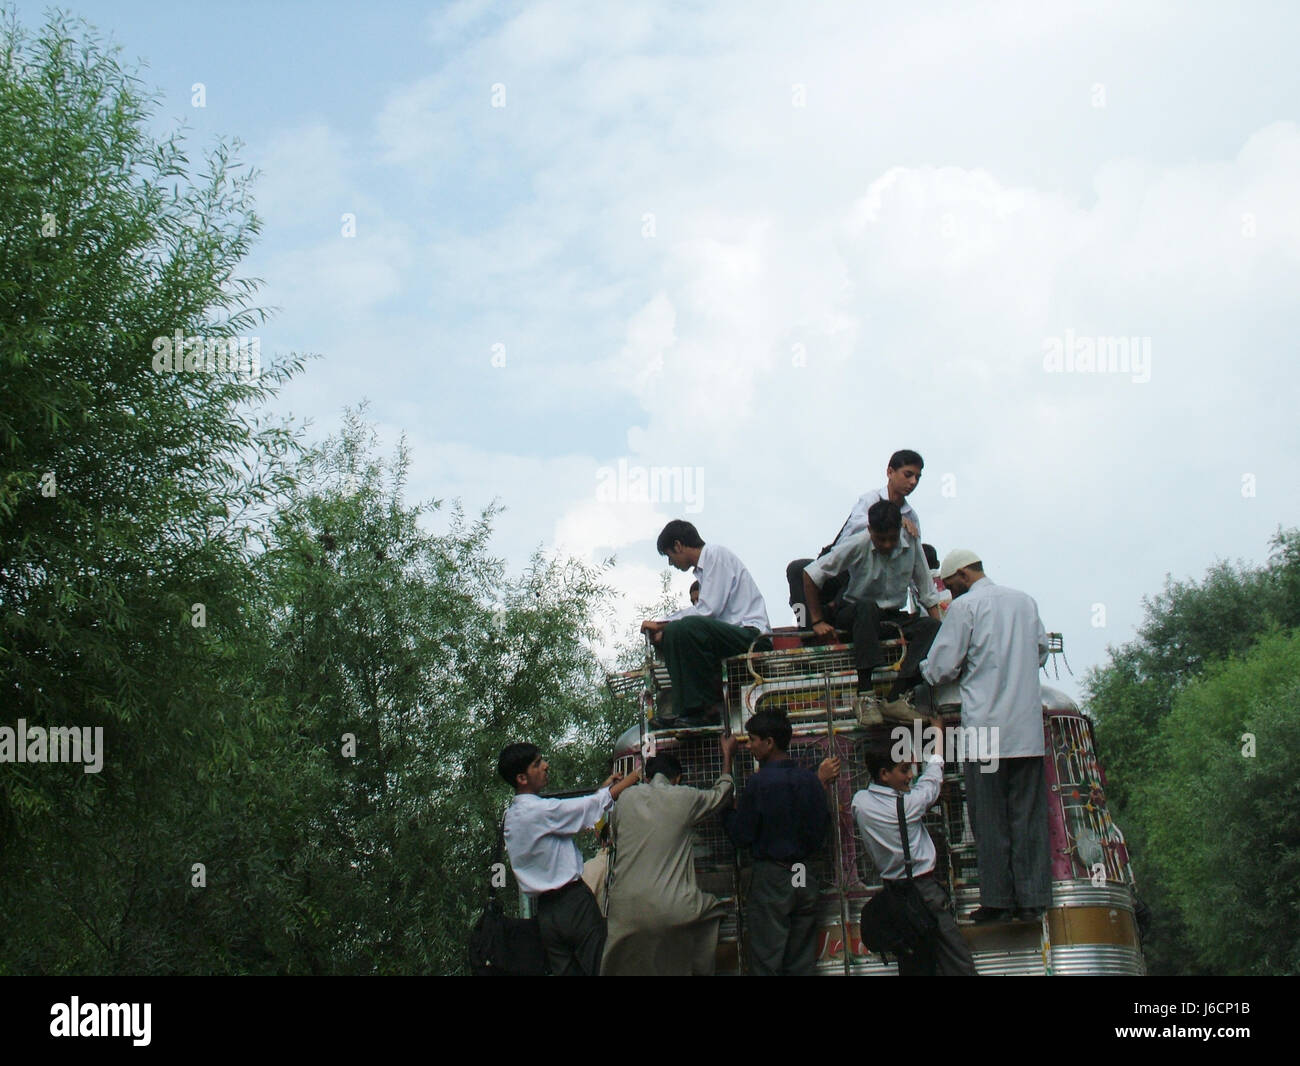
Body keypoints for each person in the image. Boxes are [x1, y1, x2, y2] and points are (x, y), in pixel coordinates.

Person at [919, 550, 1051, 923]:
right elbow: (1040, 651)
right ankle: (1032, 900)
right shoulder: (1025, 602)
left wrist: (922, 671)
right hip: (1026, 731)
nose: (949, 590)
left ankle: (998, 901)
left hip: (987, 733)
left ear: (962, 574)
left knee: (990, 818)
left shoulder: (965, 609)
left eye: (949, 582)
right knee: (1027, 817)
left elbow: (942, 667)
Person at [498, 743, 640, 975]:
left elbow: (574, 815)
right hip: (573, 903)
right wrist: (636, 774)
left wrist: (601, 792)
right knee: (603, 966)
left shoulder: (512, 817)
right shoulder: (540, 811)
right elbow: (588, 808)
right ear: (522, 778)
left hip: (546, 913)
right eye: (537, 764)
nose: (546, 766)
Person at [603, 738, 738, 976]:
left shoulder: (625, 800)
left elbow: (608, 831)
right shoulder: (684, 796)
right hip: (671, 910)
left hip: (622, 911)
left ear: (646, 777)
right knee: (713, 909)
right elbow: (723, 792)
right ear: (677, 779)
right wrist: (728, 756)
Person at [721, 710, 840, 975]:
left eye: (752, 740)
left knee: (767, 957)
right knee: (800, 958)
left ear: (769, 742)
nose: (749, 746)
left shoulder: (758, 783)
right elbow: (821, 829)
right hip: (802, 875)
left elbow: (742, 835)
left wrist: (726, 811)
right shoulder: (811, 781)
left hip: (773, 877)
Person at [853, 726, 979, 976]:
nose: (911, 775)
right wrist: (938, 734)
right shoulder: (909, 804)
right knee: (956, 957)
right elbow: (933, 779)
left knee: (914, 963)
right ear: (884, 774)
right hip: (923, 892)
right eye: (904, 770)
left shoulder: (860, 802)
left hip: (893, 893)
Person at [801, 499, 942, 702]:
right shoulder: (859, 543)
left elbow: (927, 592)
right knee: (867, 608)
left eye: (892, 539)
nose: (887, 545)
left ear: (899, 530)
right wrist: (817, 621)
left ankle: (896, 697)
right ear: (870, 530)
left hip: (891, 618)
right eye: (880, 539)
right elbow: (811, 574)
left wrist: (941, 631)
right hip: (854, 615)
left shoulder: (911, 542)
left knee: (931, 627)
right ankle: (865, 694)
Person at [640, 520, 771, 727]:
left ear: (678, 545)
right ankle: (688, 711)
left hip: (751, 636)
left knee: (683, 627)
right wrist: (665, 630)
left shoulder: (715, 555)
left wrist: (660, 623)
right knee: (673, 633)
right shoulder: (705, 568)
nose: (671, 563)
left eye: (669, 555)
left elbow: (707, 611)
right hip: (730, 635)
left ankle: (702, 710)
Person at [787, 449, 926, 625]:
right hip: (846, 566)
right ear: (890, 472)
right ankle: (805, 627)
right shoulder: (870, 500)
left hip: (872, 576)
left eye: (917, 478)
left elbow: (913, 562)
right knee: (799, 570)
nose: (913, 482)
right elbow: (856, 527)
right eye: (908, 475)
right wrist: (895, 520)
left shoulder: (912, 518)